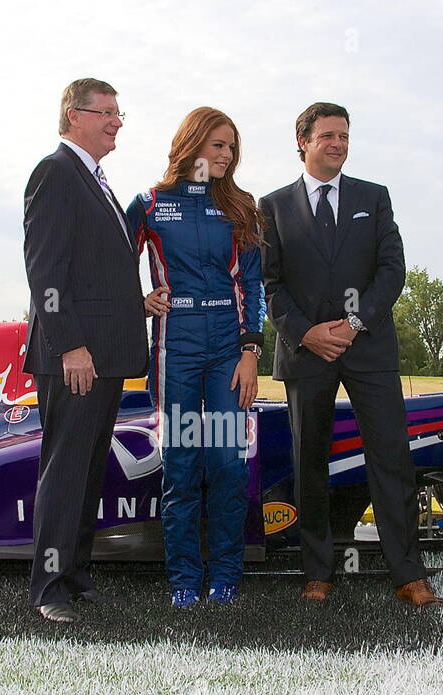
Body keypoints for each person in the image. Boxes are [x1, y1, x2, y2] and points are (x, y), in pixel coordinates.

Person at [259, 102, 442, 608]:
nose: (338, 144)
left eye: (344, 136)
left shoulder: (374, 197)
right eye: (327, 136)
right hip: (306, 353)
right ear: (303, 142)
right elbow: (270, 286)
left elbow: (392, 270)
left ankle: (408, 573)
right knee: (309, 462)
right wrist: (307, 333)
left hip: (369, 348)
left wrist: (355, 323)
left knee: (392, 459)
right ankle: (317, 571)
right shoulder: (270, 207)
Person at [125, 107, 265, 608]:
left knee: (226, 464)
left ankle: (225, 574)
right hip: (175, 348)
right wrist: (138, 302)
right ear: (191, 143)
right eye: (218, 145)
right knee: (182, 466)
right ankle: (184, 579)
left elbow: (252, 284)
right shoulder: (149, 203)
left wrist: (250, 351)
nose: (226, 155)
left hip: (228, 350)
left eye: (232, 147)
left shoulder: (242, 207)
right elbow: (113, 266)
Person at [22, 78, 147, 624]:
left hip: (103, 355)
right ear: (75, 116)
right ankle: (49, 586)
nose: (118, 121)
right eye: (108, 112)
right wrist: (70, 344)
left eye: (120, 113)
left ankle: (75, 574)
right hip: (74, 358)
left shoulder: (96, 182)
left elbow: (92, 273)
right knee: (66, 468)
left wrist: (137, 304)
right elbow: (45, 273)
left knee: (89, 469)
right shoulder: (56, 173)